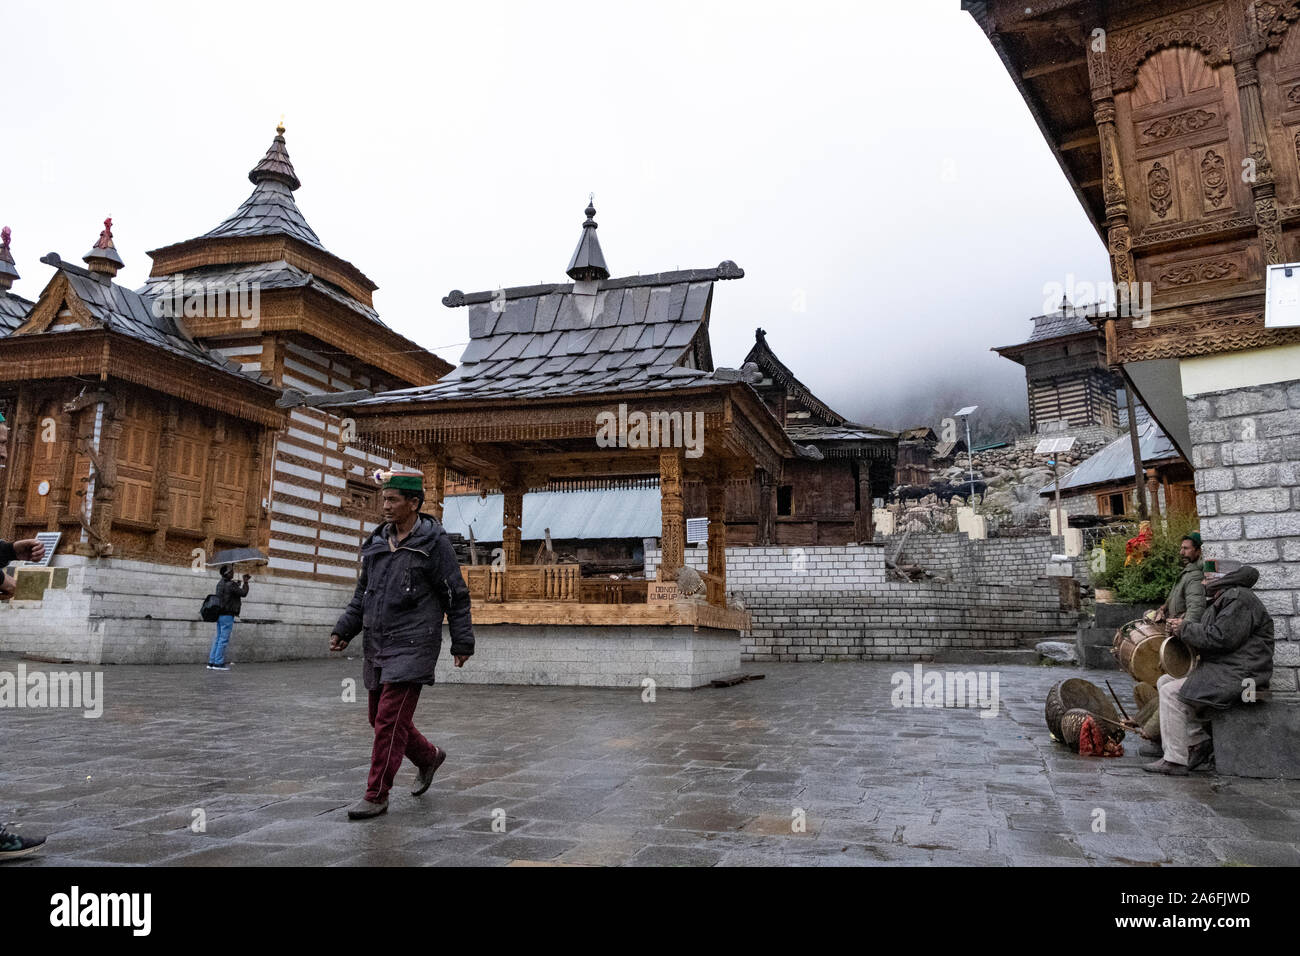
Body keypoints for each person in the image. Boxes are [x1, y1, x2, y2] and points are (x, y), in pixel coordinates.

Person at [329, 468, 474, 819]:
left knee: (389, 720)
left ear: (413, 503)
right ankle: (428, 757)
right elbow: (363, 593)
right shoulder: (377, 542)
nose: (386, 506)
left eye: (393, 500)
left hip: (414, 644)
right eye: (384, 499)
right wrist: (345, 628)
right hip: (378, 643)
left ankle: (376, 794)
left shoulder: (433, 543)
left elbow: (455, 594)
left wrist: (462, 642)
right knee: (378, 719)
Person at [1143, 561, 1274, 776]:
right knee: (1164, 681)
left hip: (1243, 673)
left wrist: (1185, 628)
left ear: (1219, 578)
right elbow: (1213, 633)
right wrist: (1180, 629)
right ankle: (1198, 741)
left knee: (1171, 692)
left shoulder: (1239, 599)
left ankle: (1175, 760)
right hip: (1227, 668)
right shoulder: (1225, 598)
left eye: (1207, 577)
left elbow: (1222, 638)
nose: (1203, 582)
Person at [1134, 532, 1206, 756]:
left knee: (1171, 685)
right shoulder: (1186, 574)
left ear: (1198, 551)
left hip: (1188, 645)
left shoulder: (1194, 577)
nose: (1181, 552)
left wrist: (1183, 626)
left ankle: (1183, 740)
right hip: (1180, 637)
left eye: (1186, 549)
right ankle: (1163, 735)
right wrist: (1163, 610)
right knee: (1159, 683)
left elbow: (1196, 608)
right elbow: (1175, 600)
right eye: (1181, 548)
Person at [207, 564, 250, 671]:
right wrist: (245, 582)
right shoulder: (231, 584)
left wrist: (236, 585)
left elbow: (228, 595)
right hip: (227, 615)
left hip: (219, 614)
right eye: (231, 571)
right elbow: (243, 593)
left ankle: (211, 662)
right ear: (226, 574)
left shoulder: (220, 583)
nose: (233, 573)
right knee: (223, 640)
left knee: (217, 639)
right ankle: (218, 663)